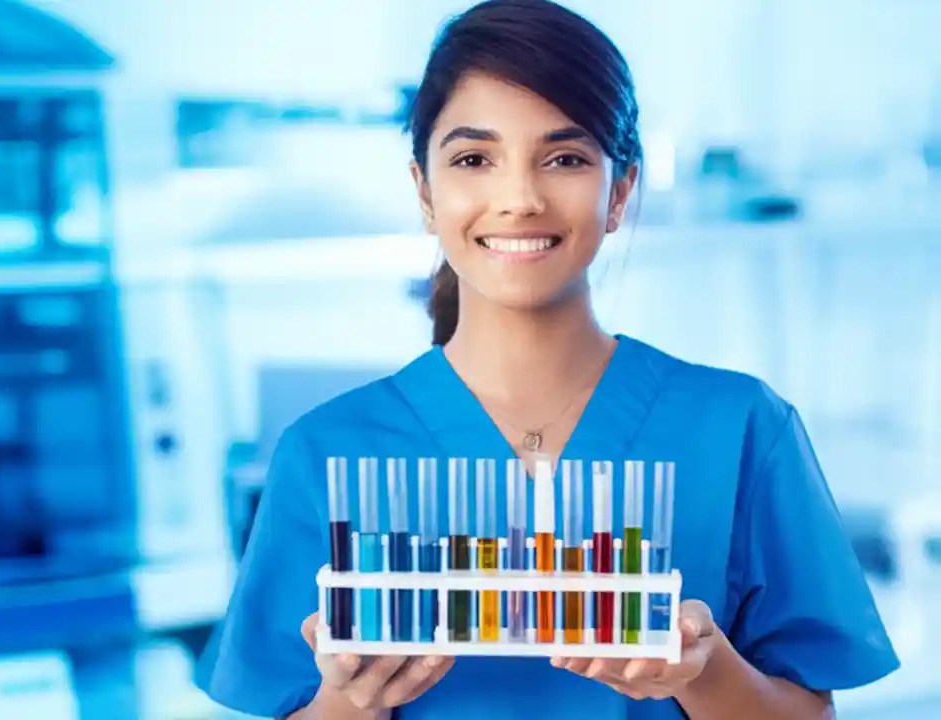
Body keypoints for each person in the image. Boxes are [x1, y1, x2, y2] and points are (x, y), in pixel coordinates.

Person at [195, 1, 899, 717]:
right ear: (425, 192)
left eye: (565, 159)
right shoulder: (325, 452)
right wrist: (353, 702)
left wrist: (702, 669)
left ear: (619, 191)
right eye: (474, 159)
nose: (520, 198)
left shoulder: (741, 429)